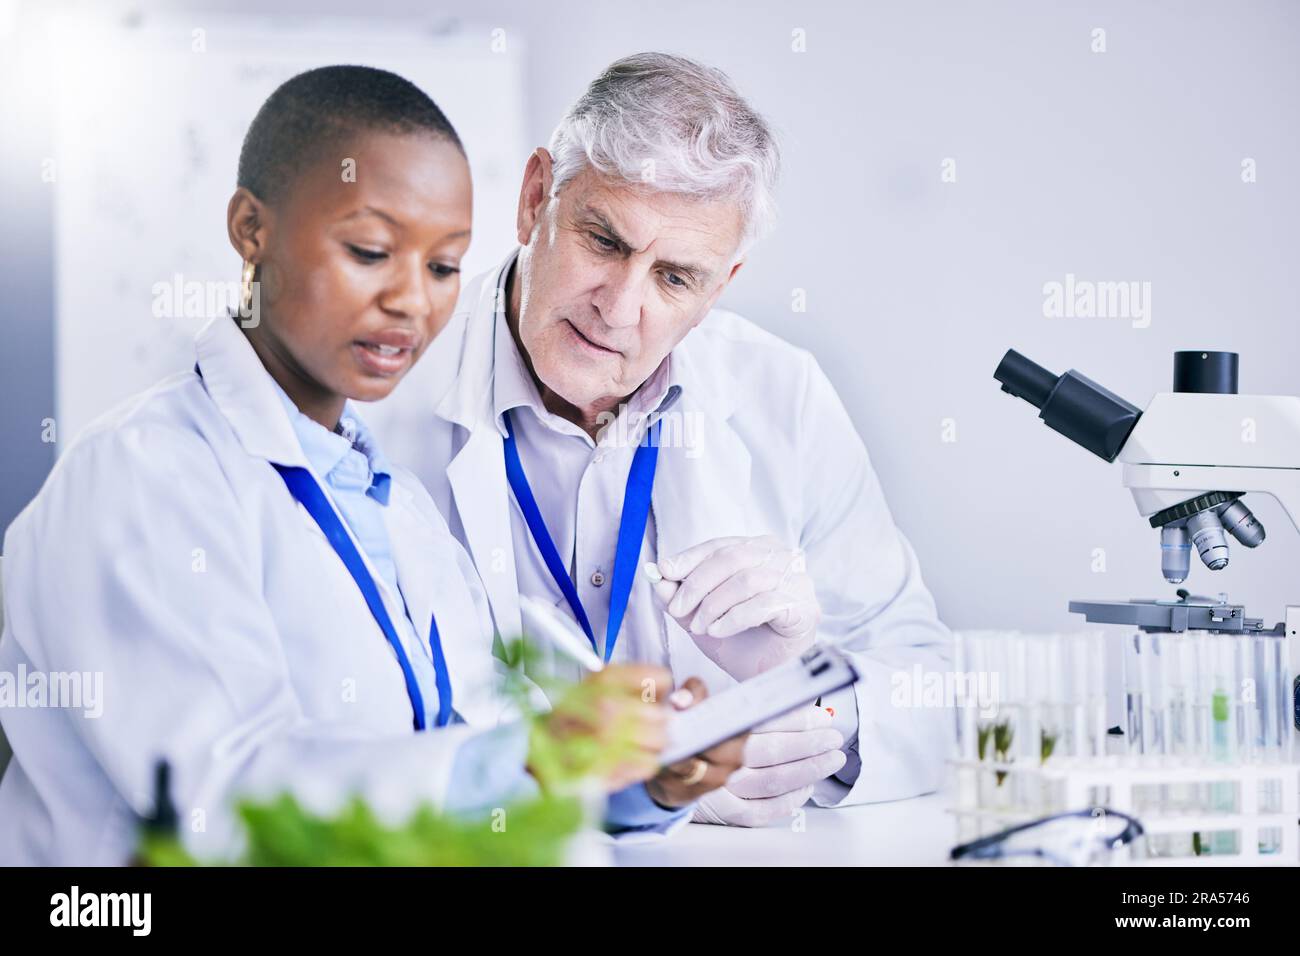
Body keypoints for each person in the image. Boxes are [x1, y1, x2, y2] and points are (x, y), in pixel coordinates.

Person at [0, 65, 740, 866]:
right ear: (251, 229)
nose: (410, 301)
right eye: (370, 250)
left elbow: (481, 740)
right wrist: (525, 758)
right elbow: (227, 807)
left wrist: (640, 774)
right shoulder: (139, 476)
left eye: (444, 266)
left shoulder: (393, 505)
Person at [367, 53, 953, 828]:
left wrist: (804, 710)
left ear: (722, 284)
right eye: (605, 242)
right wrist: (639, 788)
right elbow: (338, 728)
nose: (618, 308)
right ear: (536, 196)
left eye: (675, 278)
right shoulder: (378, 392)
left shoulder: (783, 395)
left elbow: (931, 686)